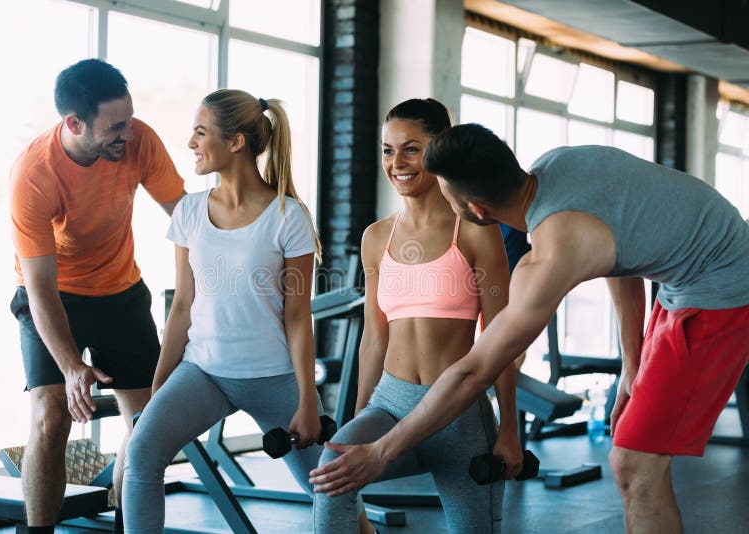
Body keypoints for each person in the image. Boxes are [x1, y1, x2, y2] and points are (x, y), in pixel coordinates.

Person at [309, 124, 749, 533]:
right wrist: (631, 363)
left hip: (722, 291)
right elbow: (622, 247)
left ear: (477, 211)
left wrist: (383, 451)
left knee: (636, 464)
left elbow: (474, 371)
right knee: (632, 455)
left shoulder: (554, 254)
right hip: (691, 271)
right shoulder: (559, 165)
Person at [313, 100, 520, 534]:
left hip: (459, 414)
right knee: (333, 473)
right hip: (391, 403)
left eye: (411, 149)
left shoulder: (478, 230)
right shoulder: (376, 237)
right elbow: (374, 338)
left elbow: (502, 335)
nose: (397, 163)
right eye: (388, 150)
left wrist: (510, 431)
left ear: (440, 149)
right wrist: (356, 420)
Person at [121, 89, 324, 532]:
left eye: (200, 132)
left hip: (273, 377)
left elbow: (297, 317)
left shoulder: (289, 217)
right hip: (204, 372)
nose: (191, 143)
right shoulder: (190, 212)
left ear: (235, 143)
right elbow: (181, 311)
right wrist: (158, 388)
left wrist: (308, 399)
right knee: (141, 451)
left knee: (329, 485)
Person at [8, 59, 185, 533]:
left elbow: (185, 218)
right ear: (73, 123)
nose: (128, 134)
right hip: (54, 297)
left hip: (121, 292)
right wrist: (71, 368)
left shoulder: (139, 139)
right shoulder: (34, 176)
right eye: (115, 126)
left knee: (147, 425)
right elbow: (40, 288)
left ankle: (132, 524)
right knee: (51, 417)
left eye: (129, 120)